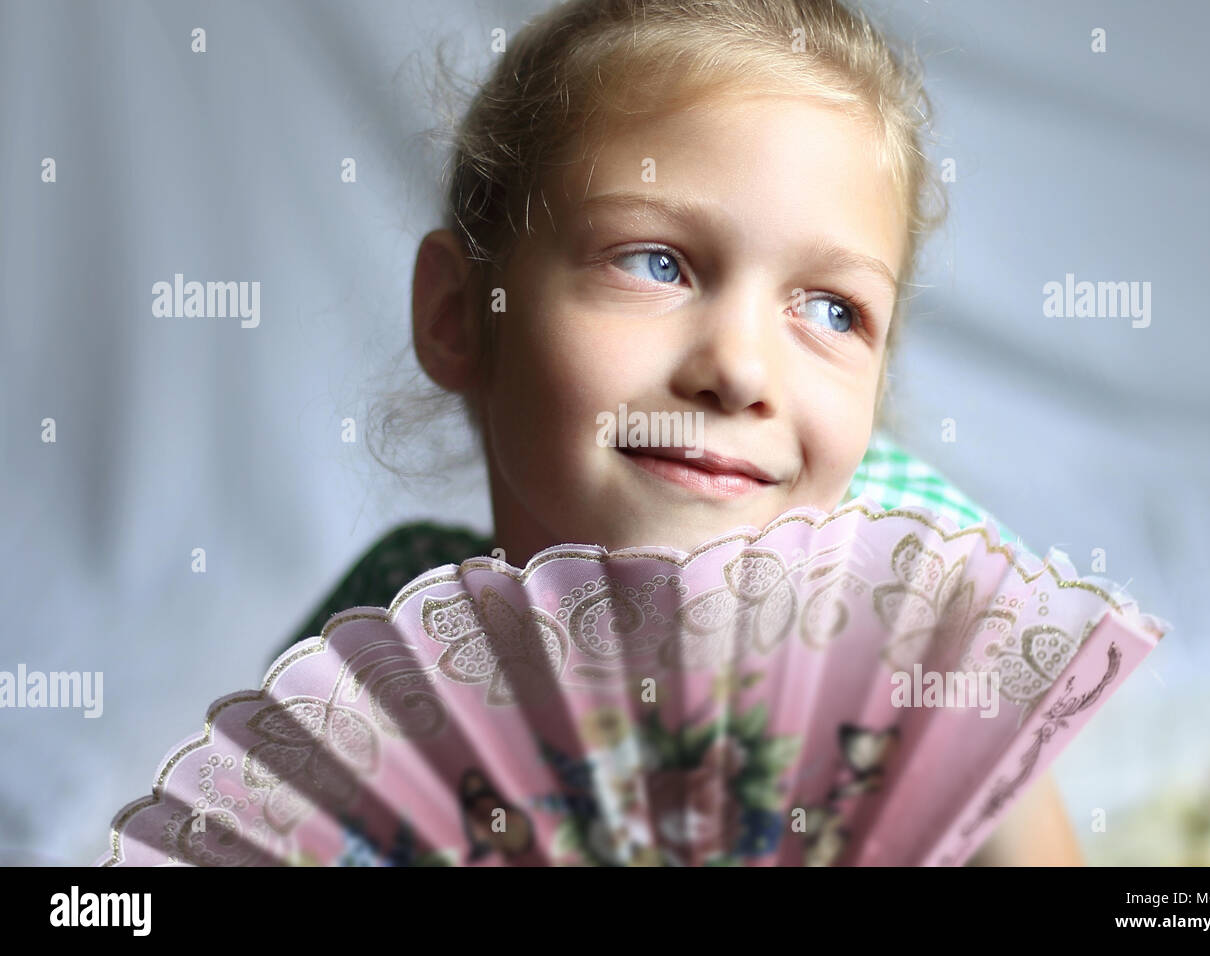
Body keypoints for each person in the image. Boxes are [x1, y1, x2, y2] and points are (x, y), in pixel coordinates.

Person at [295, 0, 1084, 865]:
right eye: (653, 262)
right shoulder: (383, 663)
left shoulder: (919, 621)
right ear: (459, 315)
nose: (740, 369)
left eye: (831, 309)